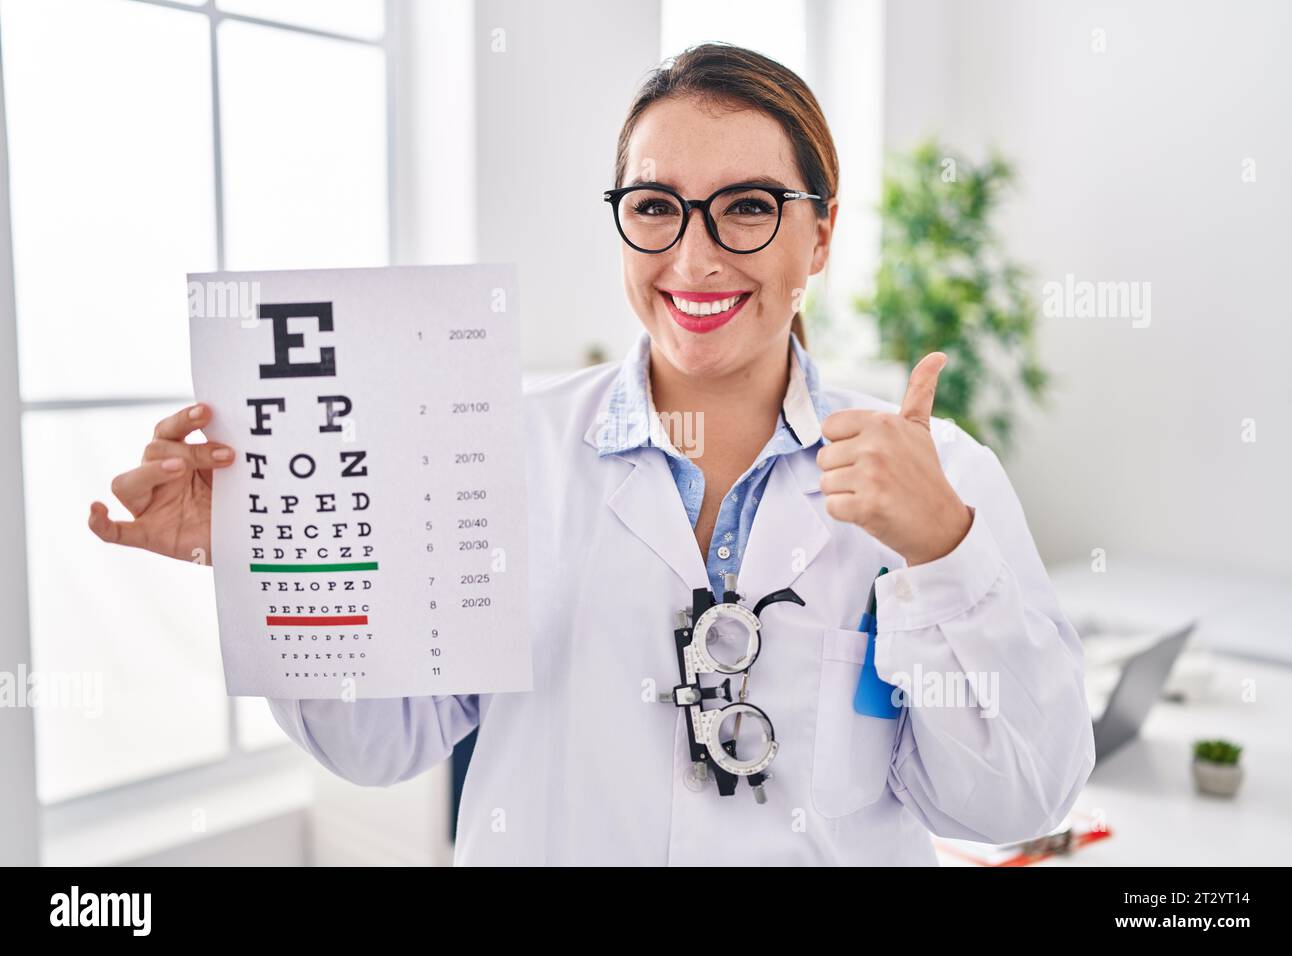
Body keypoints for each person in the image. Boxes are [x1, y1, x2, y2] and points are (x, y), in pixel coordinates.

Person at [89, 43, 1094, 865]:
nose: (693, 258)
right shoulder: (494, 450)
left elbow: (1010, 802)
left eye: (746, 206)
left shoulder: (939, 474)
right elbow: (379, 741)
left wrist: (942, 552)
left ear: (820, 234)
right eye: (655, 207)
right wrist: (279, 563)